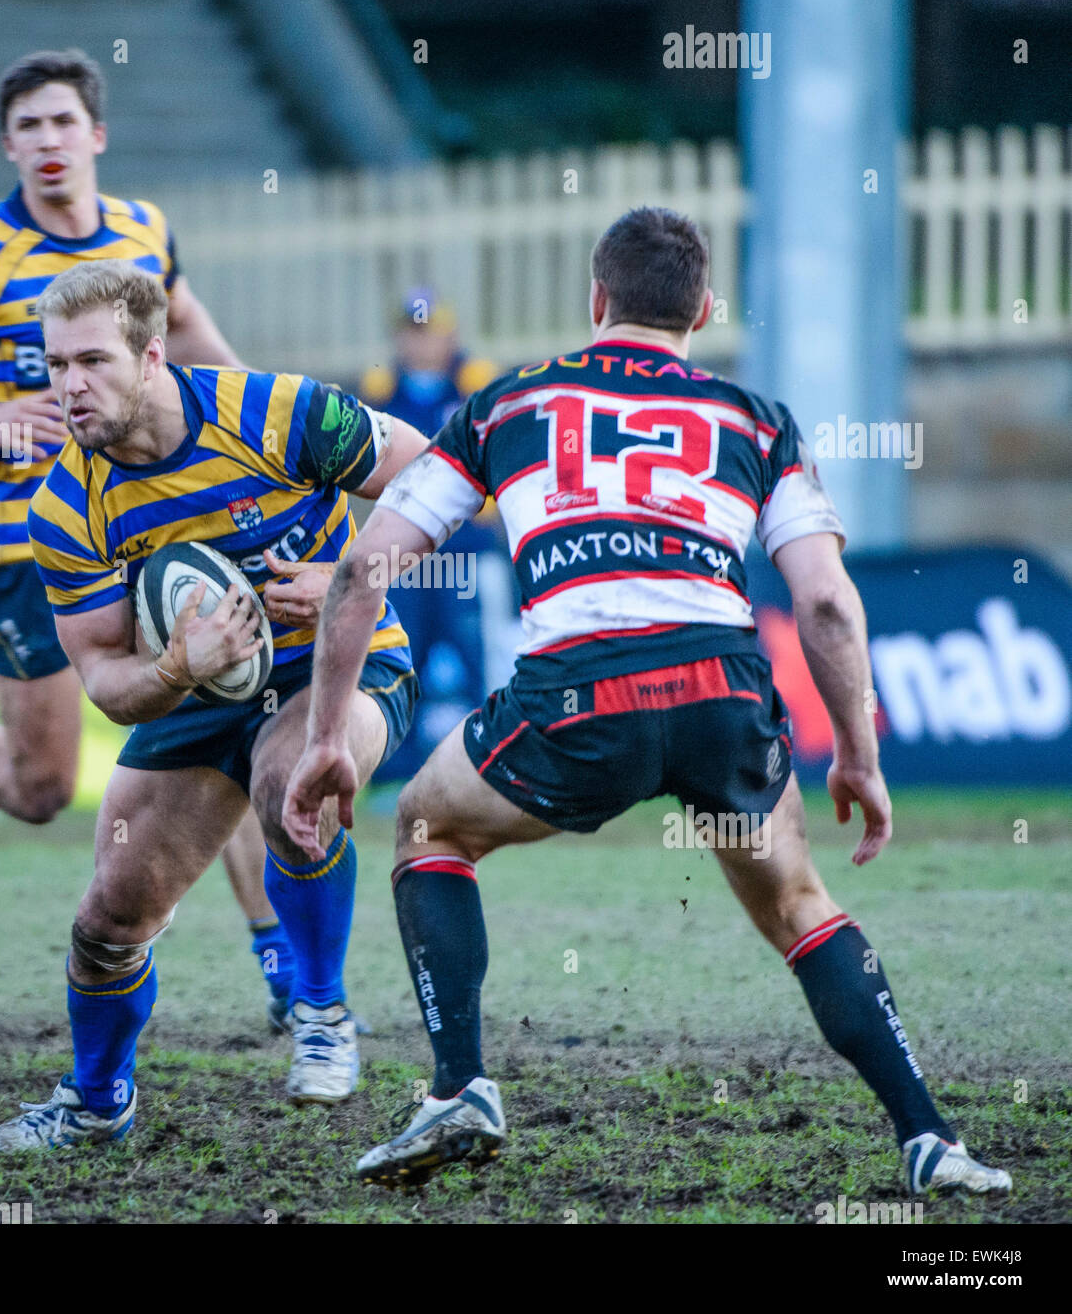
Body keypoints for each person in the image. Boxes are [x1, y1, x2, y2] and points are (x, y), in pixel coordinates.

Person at [283, 206, 1014, 1198]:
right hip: (722, 692)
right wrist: (858, 753)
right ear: (703, 310)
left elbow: (364, 571)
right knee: (800, 906)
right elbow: (829, 605)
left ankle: (459, 1087)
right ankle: (928, 1136)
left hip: (578, 697)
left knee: (426, 824)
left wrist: (329, 735)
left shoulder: (507, 404)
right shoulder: (755, 419)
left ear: (596, 301)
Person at [0, 49, 298, 1023]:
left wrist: (265, 432)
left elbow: (202, 355)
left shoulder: (144, 232)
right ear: (6, 146)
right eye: (27, 127)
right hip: (36, 549)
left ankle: (287, 969)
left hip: (161, 530)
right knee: (41, 786)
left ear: (96, 134)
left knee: (221, 726)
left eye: (64, 122)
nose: (47, 142)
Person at [0, 260, 426, 1150]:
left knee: (290, 783)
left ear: (152, 356)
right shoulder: (65, 504)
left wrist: (350, 580)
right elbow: (106, 679)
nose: (70, 385)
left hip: (336, 667)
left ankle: (322, 1013)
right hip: (197, 692)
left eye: (92, 362)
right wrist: (180, 667)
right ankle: (96, 1103)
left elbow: (440, 480)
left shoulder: (278, 412)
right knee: (108, 916)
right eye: (56, 365)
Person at [359, 291, 501, 778]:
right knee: (402, 655)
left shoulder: (475, 386)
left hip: (464, 555)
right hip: (404, 558)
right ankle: (393, 770)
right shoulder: (380, 392)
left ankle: (492, 765)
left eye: (430, 331)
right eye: (412, 332)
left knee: (473, 655)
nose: (421, 343)